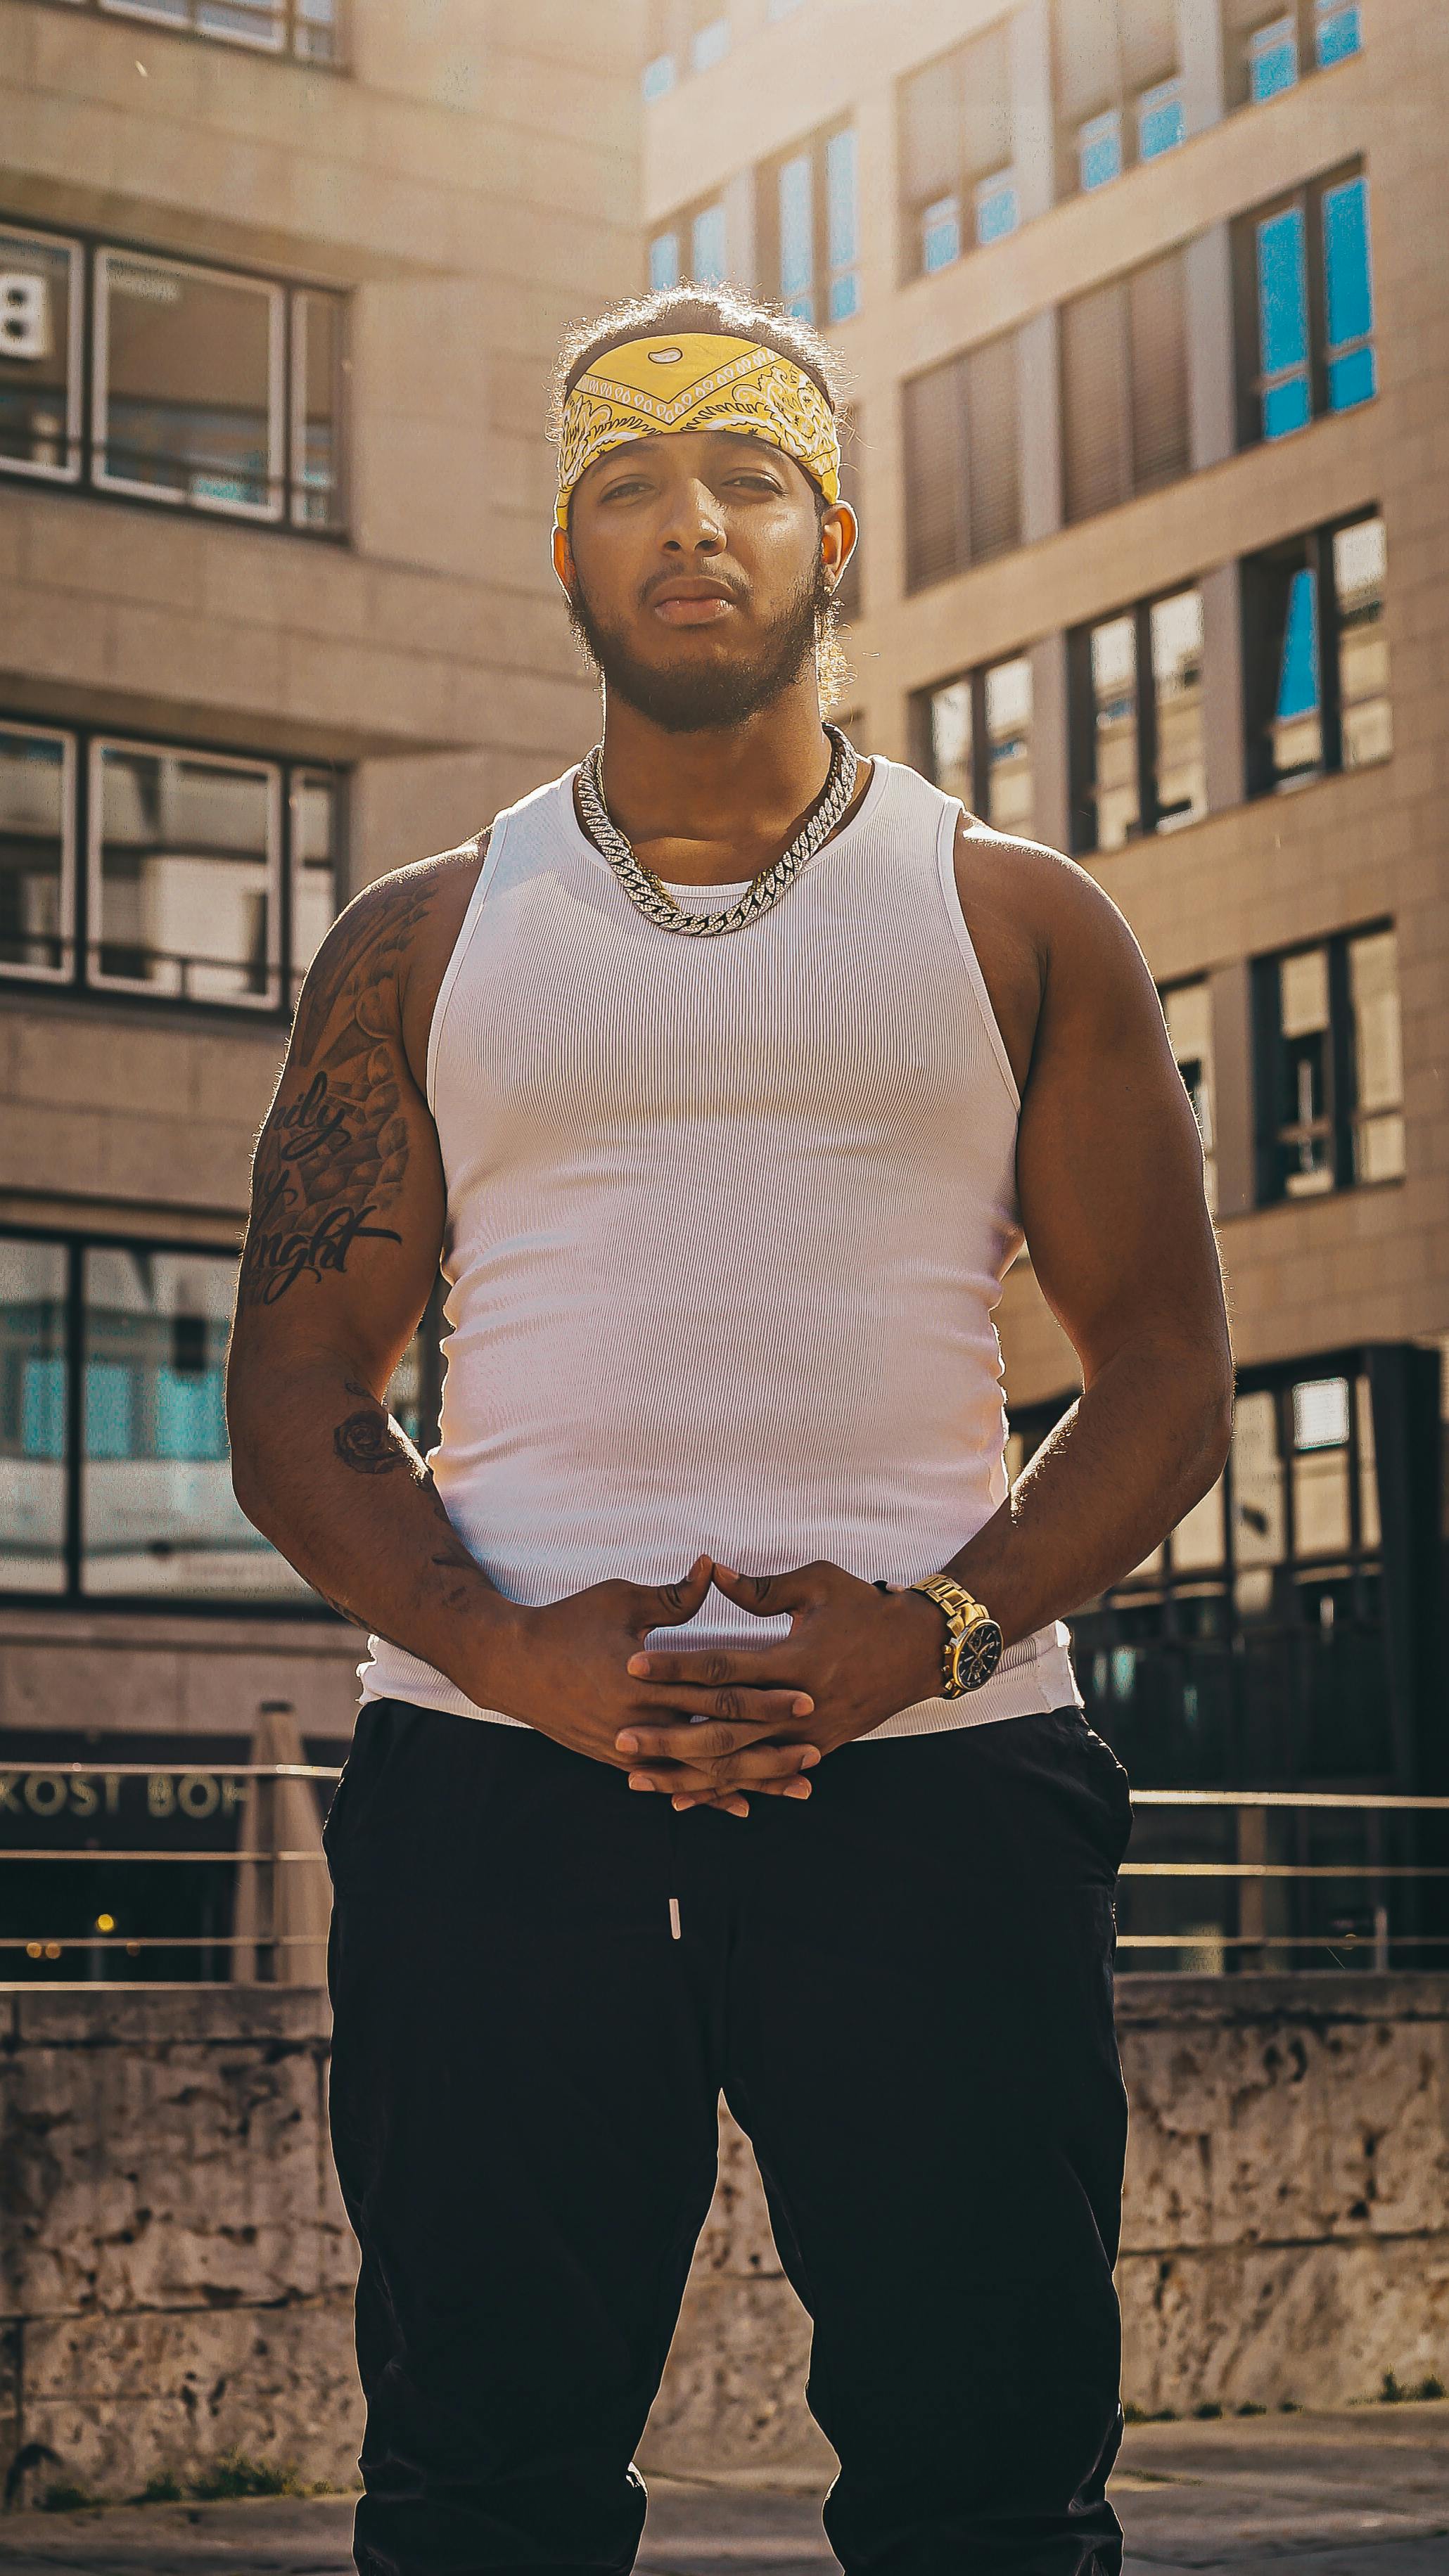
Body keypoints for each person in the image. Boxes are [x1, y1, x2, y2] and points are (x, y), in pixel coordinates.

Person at [226, 285, 1232, 2576]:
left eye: (744, 478)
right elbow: (297, 1394)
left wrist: (937, 1633)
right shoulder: (420, 936)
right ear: (564, 563)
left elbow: (1164, 1367)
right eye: (625, 487)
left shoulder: (1016, 918)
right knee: (481, 2485)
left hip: (942, 1780)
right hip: (495, 1791)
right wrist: (515, 1664)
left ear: (834, 532)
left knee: (988, 2484)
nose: (690, 524)